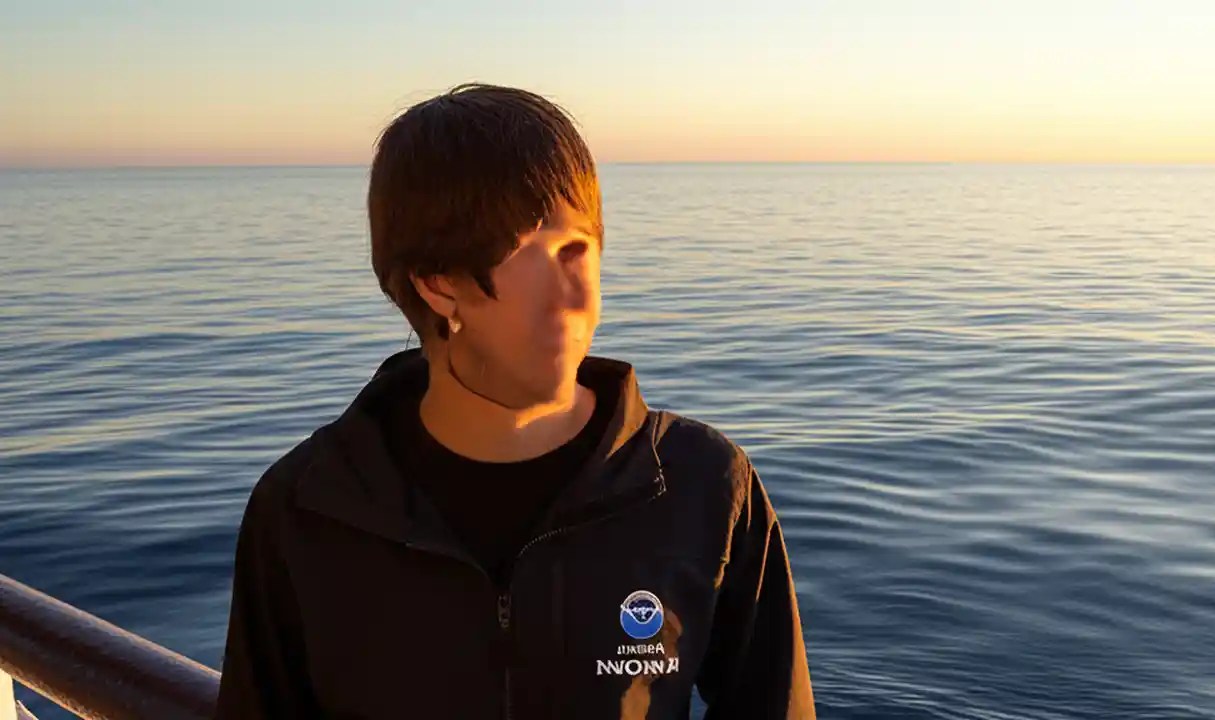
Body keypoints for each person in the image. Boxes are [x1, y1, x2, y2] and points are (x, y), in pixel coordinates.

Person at [213, 82, 815, 719]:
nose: (572, 298)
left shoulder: (706, 488)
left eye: (578, 251)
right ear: (437, 282)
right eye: (530, 256)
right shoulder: (306, 511)